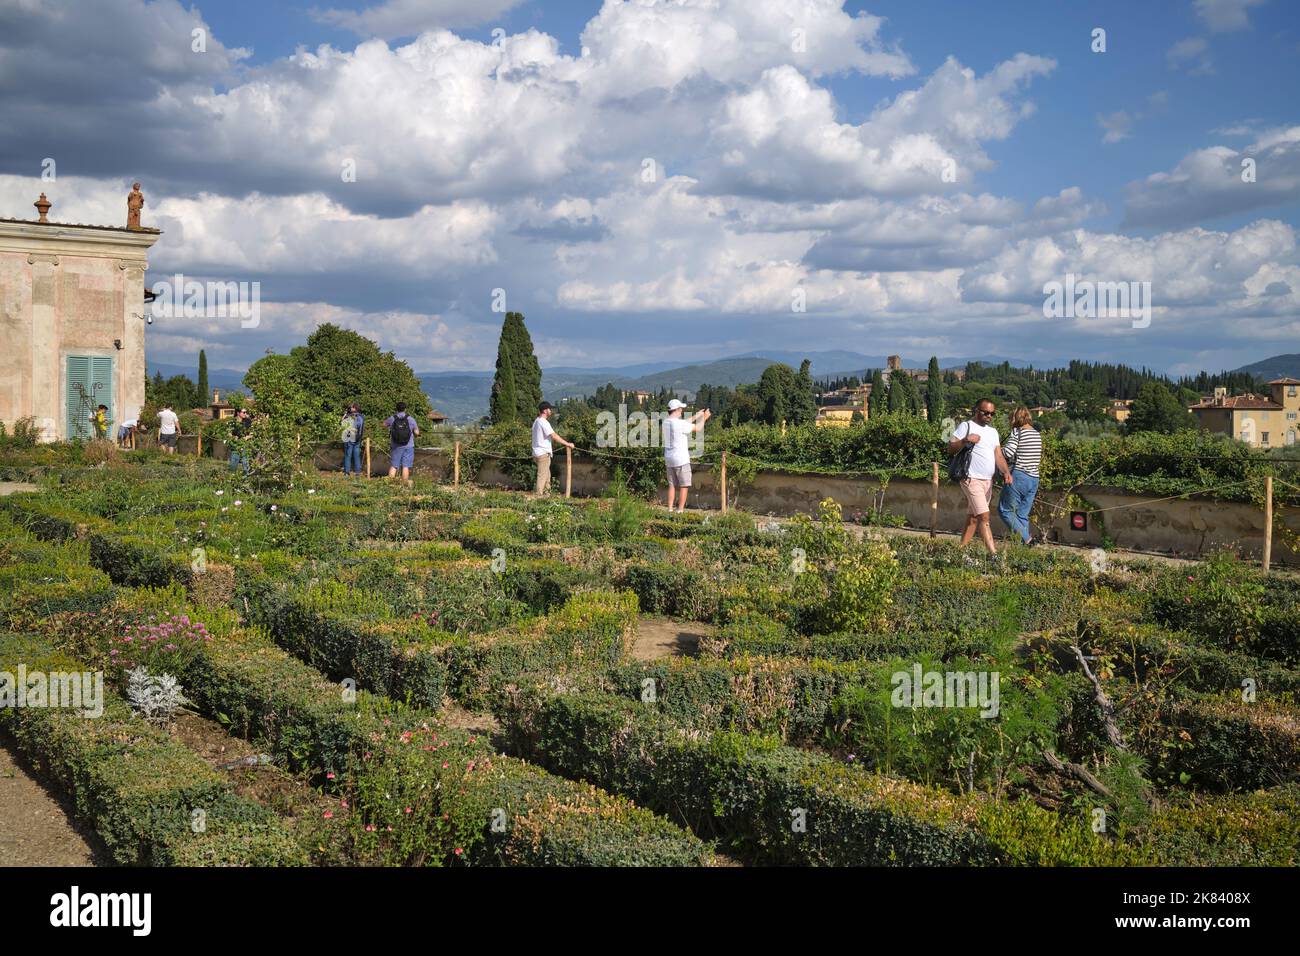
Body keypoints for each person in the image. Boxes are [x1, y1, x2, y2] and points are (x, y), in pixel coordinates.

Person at [946, 398, 1013, 555]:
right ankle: (994, 555)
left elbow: (998, 455)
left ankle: (960, 552)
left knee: (974, 518)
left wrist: (1006, 472)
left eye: (992, 413)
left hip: (987, 481)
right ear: (977, 411)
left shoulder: (993, 432)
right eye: (986, 412)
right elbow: (950, 448)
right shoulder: (966, 426)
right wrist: (965, 440)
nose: (989, 416)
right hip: (970, 478)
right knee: (984, 516)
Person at [998, 406, 1043, 546]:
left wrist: (997, 450)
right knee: (1022, 515)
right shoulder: (1037, 434)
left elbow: (1008, 452)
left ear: (1014, 418)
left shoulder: (1017, 432)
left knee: (1005, 510)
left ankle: (1028, 539)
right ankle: (1023, 550)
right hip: (1034, 479)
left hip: (1019, 476)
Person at [662, 398, 711, 513]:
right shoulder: (679, 424)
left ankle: (669, 509)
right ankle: (680, 510)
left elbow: (684, 423)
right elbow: (698, 428)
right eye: (681, 409)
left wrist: (696, 416)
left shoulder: (666, 422)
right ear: (677, 409)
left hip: (669, 458)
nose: (682, 411)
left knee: (672, 485)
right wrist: (704, 417)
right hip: (681, 459)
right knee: (684, 485)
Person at [531, 402, 573, 496]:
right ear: (545, 410)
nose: (551, 411)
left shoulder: (536, 421)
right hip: (543, 454)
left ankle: (547, 496)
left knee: (547, 476)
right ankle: (538, 497)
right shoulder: (543, 422)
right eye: (550, 409)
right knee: (542, 476)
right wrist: (567, 444)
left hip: (537, 453)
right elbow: (554, 436)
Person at [384, 402, 419, 483]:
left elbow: (384, 424)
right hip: (409, 445)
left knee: (394, 465)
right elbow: (417, 432)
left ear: (396, 409)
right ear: (405, 409)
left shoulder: (392, 418)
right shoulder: (411, 419)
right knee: (405, 466)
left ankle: (389, 485)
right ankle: (404, 485)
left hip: (396, 445)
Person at [341, 403, 364, 477]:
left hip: (349, 438)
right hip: (358, 438)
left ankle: (347, 472)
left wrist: (344, 416)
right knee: (357, 455)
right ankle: (358, 472)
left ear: (354, 408)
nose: (350, 408)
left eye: (351, 407)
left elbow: (342, 425)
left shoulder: (349, 416)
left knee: (348, 455)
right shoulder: (361, 417)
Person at [228, 407, 252, 473]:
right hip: (236, 444)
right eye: (243, 412)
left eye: (246, 412)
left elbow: (252, 433)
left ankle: (245, 476)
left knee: (245, 461)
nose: (245, 414)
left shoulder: (248, 421)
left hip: (245, 443)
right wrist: (233, 437)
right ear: (238, 413)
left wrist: (247, 437)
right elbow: (229, 433)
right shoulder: (233, 422)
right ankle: (232, 476)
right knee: (234, 460)